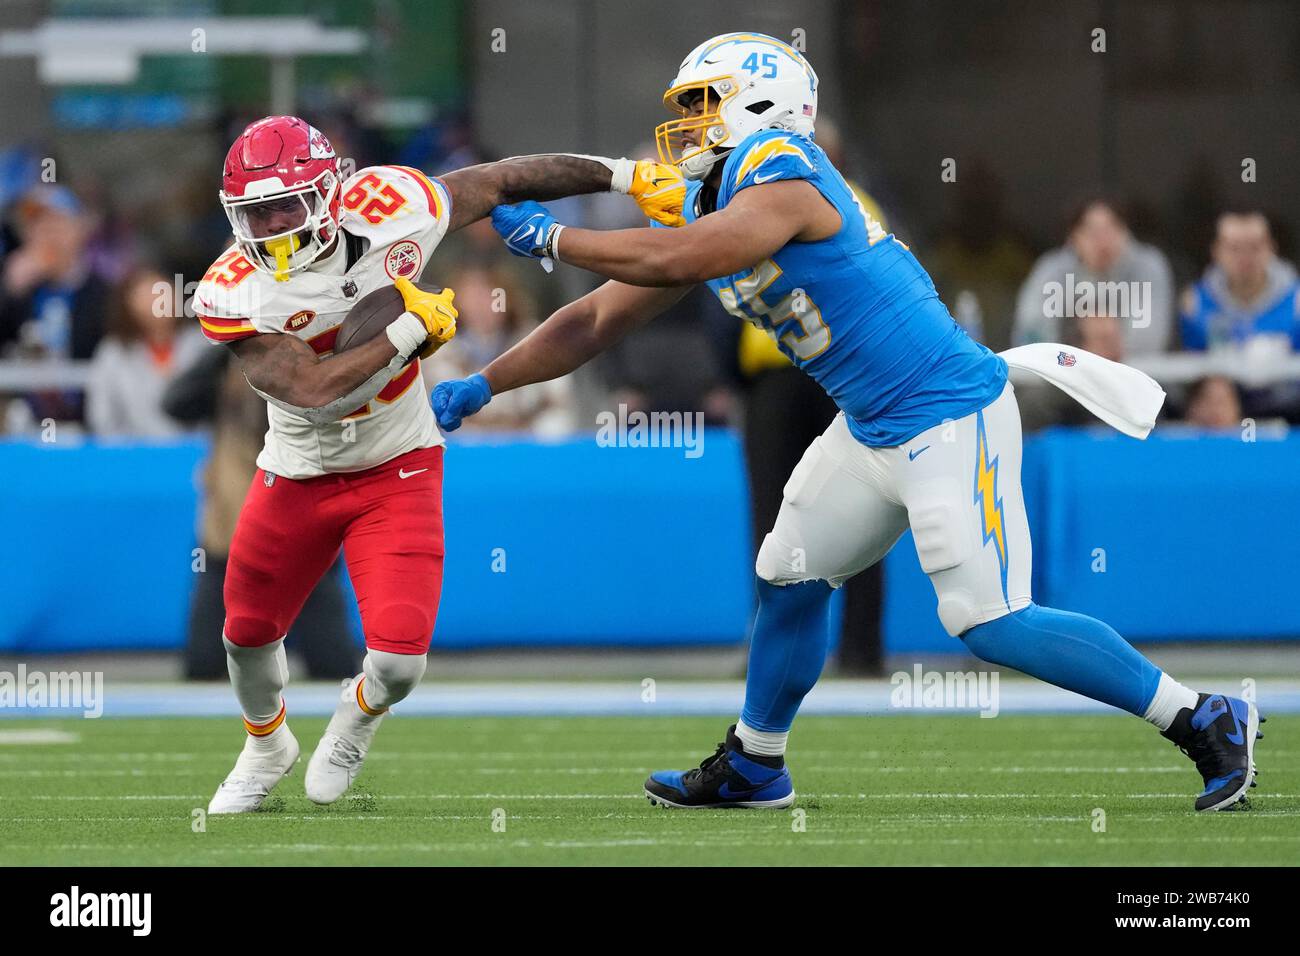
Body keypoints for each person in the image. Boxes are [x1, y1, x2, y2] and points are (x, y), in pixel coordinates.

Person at [433, 33, 1262, 813]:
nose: (685, 124)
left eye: (701, 102)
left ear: (758, 105)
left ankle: (1203, 717)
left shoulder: (786, 168)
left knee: (988, 621)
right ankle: (757, 761)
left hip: (947, 413)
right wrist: (484, 382)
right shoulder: (716, 194)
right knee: (789, 572)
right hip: (870, 423)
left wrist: (554, 238)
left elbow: (680, 259)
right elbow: (593, 323)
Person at [199, 114, 682, 813]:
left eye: (284, 204)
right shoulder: (232, 287)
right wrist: (409, 326)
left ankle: (357, 716)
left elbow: (502, 180)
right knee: (244, 635)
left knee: (397, 663)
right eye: (254, 211)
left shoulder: (394, 204)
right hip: (297, 469)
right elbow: (313, 391)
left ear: (332, 192)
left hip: (397, 462)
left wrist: (624, 175)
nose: (271, 225)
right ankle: (266, 742)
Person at [1015, 197, 1175, 356]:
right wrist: (1078, 349)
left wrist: (1112, 344)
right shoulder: (1052, 270)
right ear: (1073, 237)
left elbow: (1150, 342)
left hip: (1135, 377)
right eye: (1092, 232)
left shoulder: (1147, 265)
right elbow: (1030, 339)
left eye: (1111, 229)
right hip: (1066, 374)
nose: (1103, 241)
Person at [86, 266, 206, 437]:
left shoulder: (202, 345)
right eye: (147, 295)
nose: (159, 301)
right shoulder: (113, 353)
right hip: (132, 456)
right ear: (128, 304)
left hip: (199, 452)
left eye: (163, 291)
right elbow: (101, 417)